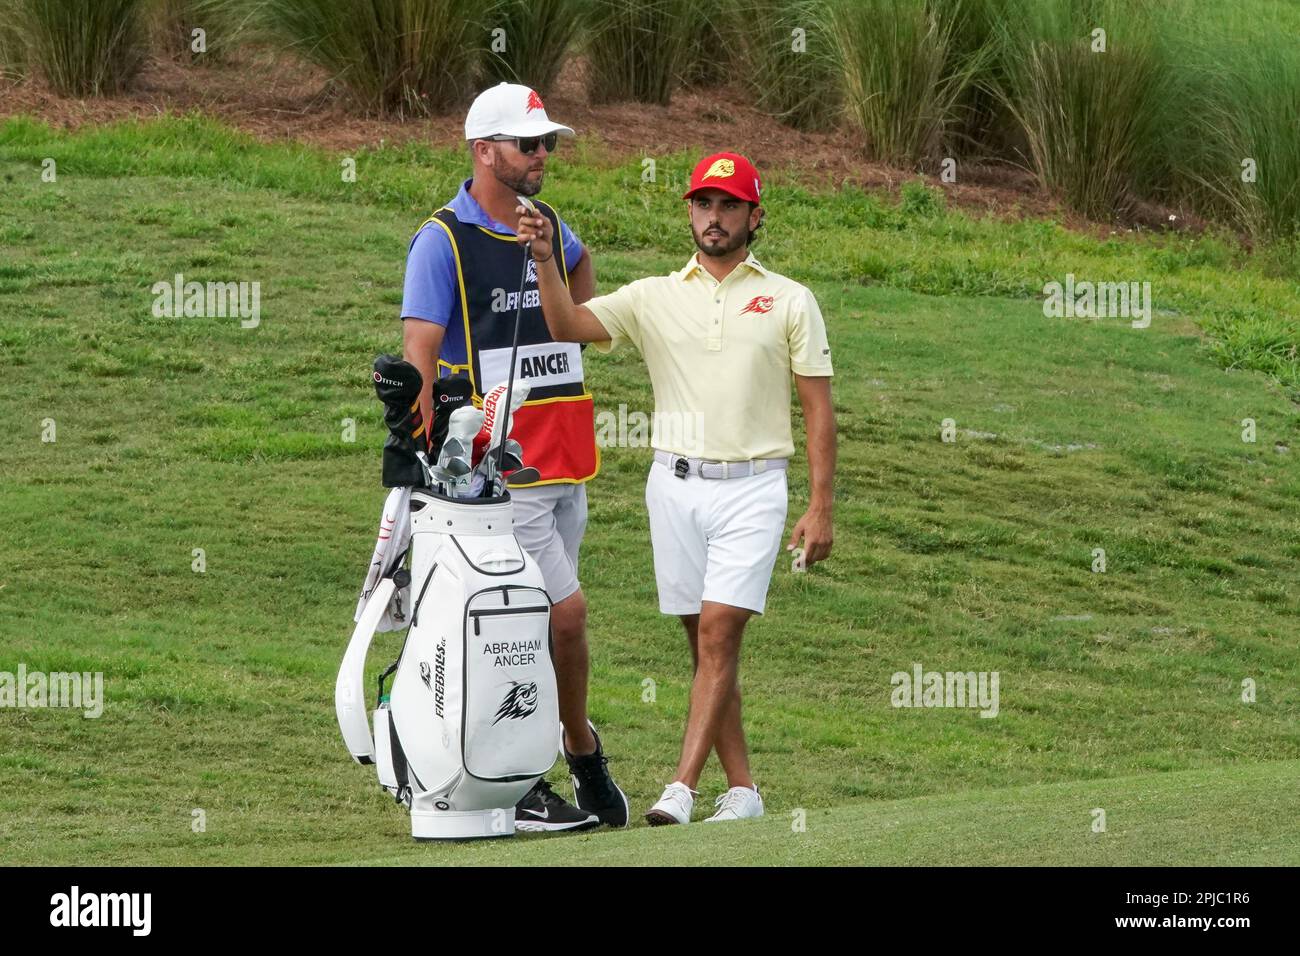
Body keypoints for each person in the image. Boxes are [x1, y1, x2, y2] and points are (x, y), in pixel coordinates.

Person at [517, 151, 837, 825]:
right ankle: (744, 791)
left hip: (754, 488)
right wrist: (546, 258)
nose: (713, 218)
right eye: (702, 204)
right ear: (689, 213)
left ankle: (681, 789)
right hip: (674, 487)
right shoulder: (653, 295)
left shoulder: (789, 299)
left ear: (756, 217)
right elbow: (566, 326)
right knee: (702, 648)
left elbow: (817, 409)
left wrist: (820, 505)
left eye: (727, 206)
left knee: (720, 635)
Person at [400, 82, 628, 832]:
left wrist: (556, 276)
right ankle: (569, 756)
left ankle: (529, 771)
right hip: (499, 478)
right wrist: (424, 449)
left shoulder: (549, 225)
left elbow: (583, 305)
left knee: (531, 626)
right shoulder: (442, 239)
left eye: (547, 143)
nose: (542, 156)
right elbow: (420, 360)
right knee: (561, 615)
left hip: (566, 460)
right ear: (484, 150)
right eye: (528, 144)